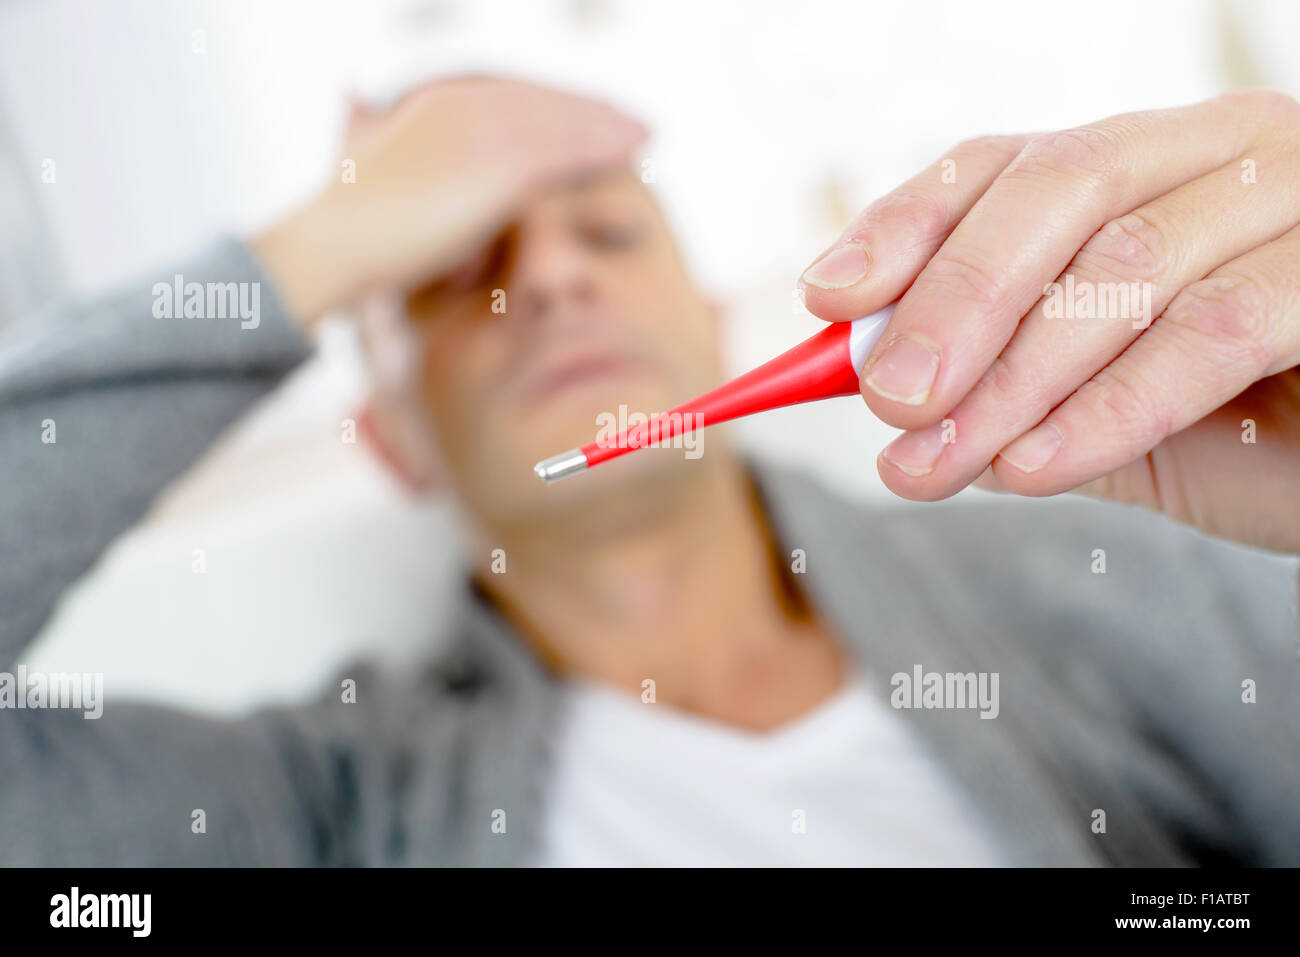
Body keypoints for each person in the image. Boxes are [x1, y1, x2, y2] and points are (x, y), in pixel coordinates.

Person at [1, 77, 1297, 866]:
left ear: (716, 330)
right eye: (455, 268)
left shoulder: (1115, 593)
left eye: (608, 230)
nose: (553, 275)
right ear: (389, 437)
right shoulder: (319, 804)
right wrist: (313, 243)